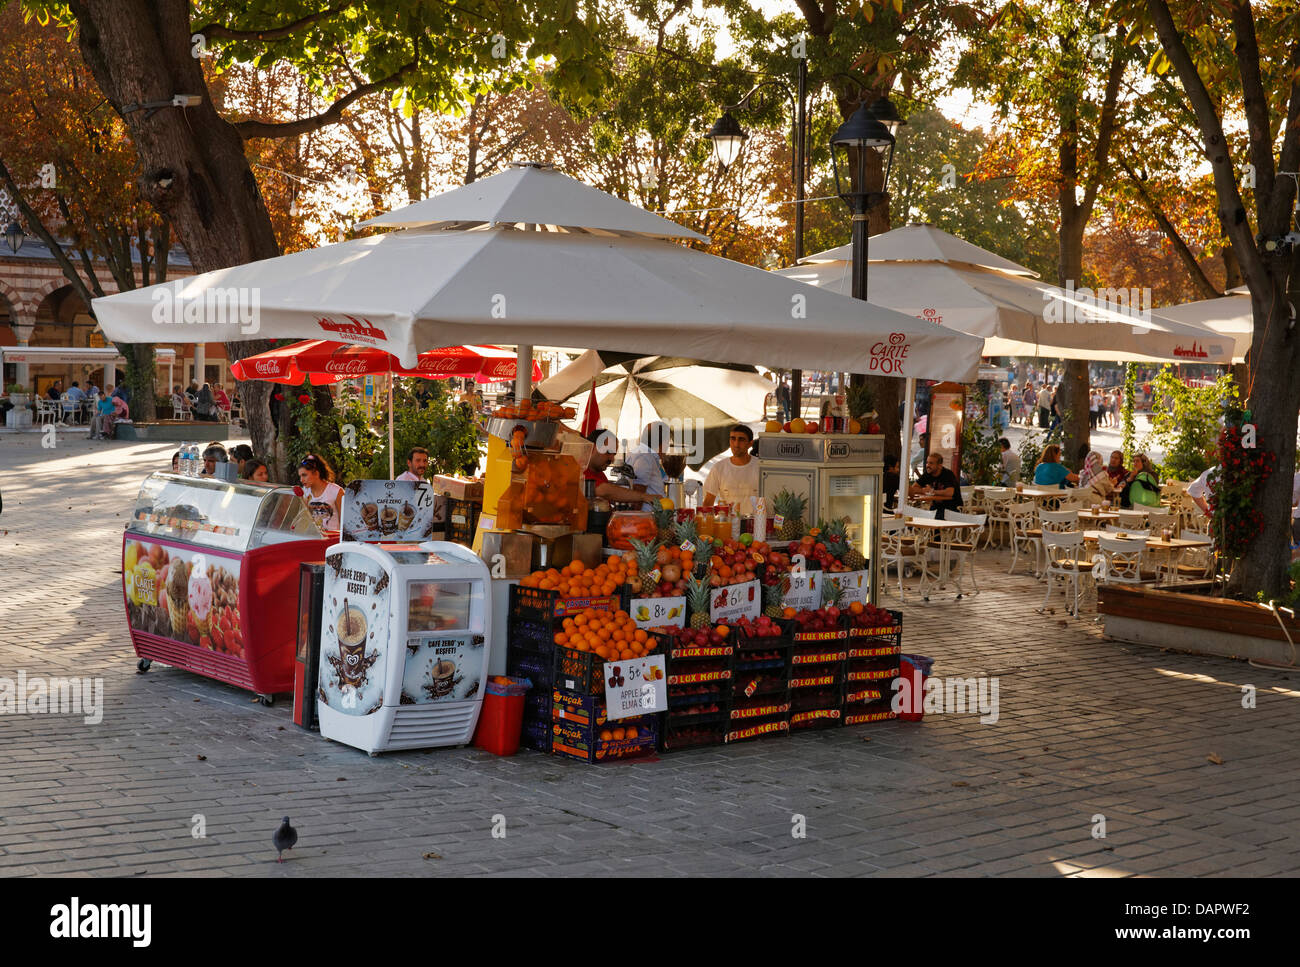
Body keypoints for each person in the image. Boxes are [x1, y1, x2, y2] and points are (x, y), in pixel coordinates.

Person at [583, 429, 656, 506]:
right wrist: (644, 497)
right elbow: (603, 491)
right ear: (591, 448)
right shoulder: (579, 469)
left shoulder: (600, 475)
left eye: (614, 454)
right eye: (608, 452)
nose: (612, 459)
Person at [703, 424, 761, 509]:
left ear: (750, 444)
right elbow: (708, 503)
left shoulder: (760, 467)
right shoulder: (719, 468)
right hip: (727, 521)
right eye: (733, 439)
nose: (736, 444)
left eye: (741, 439)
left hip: (755, 521)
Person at [908, 452, 963, 520]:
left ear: (939, 465)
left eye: (931, 463)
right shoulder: (928, 474)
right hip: (936, 508)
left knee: (933, 519)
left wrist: (932, 491)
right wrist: (923, 490)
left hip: (952, 509)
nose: (928, 465)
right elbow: (914, 488)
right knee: (915, 518)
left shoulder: (947, 474)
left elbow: (950, 492)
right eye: (927, 462)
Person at [298, 453, 342, 532]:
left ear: (316, 474)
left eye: (304, 475)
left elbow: (345, 523)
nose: (301, 480)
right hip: (313, 539)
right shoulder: (304, 491)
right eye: (300, 476)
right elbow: (303, 519)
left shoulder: (337, 491)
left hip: (333, 540)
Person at [627, 421, 671, 500]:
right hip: (646, 512)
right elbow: (638, 493)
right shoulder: (645, 457)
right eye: (667, 442)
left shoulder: (638, 452)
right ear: (663, 443)